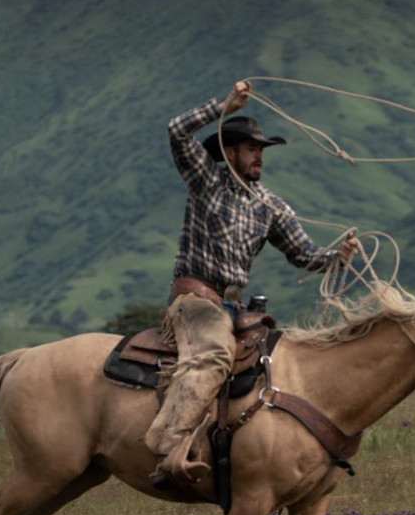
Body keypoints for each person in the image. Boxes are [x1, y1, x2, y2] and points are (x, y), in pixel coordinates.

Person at [146, 80, 358, 486]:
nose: (259, 155)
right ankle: (170, 450)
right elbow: (177, 130)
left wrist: (337, 257)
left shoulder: (271, 205)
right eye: (251, 148)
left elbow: (303, 254)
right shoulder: (207, 180)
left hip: (232, 305)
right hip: (193, 297)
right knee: (212, 353)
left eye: (262, 149)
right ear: (230, 153)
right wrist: (222, 107)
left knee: (278, 360)